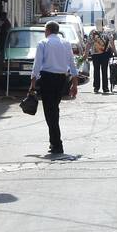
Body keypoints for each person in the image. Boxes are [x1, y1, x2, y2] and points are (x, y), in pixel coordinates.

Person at [29, 21, 79, 155]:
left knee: (50, 112)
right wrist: (74, 83)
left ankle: (57, 144)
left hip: (47, 79)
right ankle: (54, 142)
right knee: (53, 110)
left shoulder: (43, 43)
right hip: (61, 80)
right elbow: (72, 64)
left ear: (48, 30)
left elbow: (37, 65)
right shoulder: (66, 43)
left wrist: (32, 83)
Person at [89, 25, 115, 94]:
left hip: (95, 54)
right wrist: (115, 52)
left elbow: (89, 43)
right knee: (104, 70)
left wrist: (85, 53)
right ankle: (105, 88)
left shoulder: (93, 32)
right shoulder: (107, 32)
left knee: (96, 70)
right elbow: (112, 42)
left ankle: (96, 87)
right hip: (105, 54)